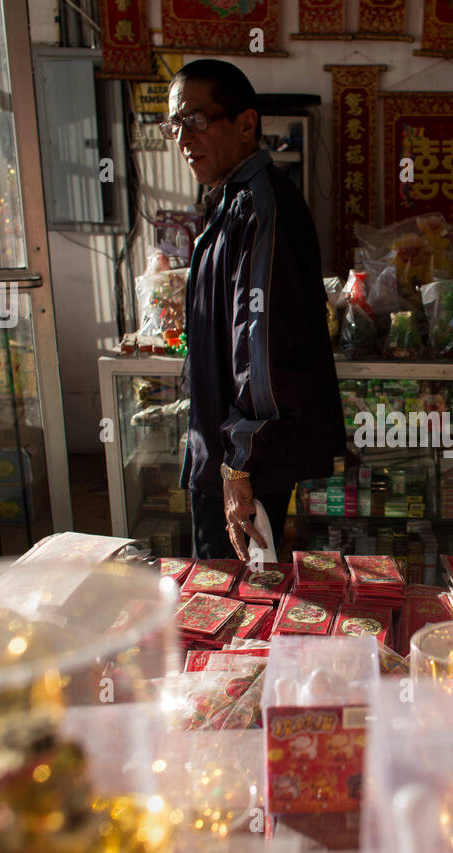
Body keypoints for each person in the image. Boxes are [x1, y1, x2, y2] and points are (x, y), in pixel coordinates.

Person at [165, 59, 346, 560]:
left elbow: (262, 350)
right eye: (175, 124)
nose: (183, 138)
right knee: (224, 584)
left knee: (238, 588)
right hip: (223, 449)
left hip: (246, 461)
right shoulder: (232, 201)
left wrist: (239, 464)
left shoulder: (259, 208)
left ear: (246, 124)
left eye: (196, 119)